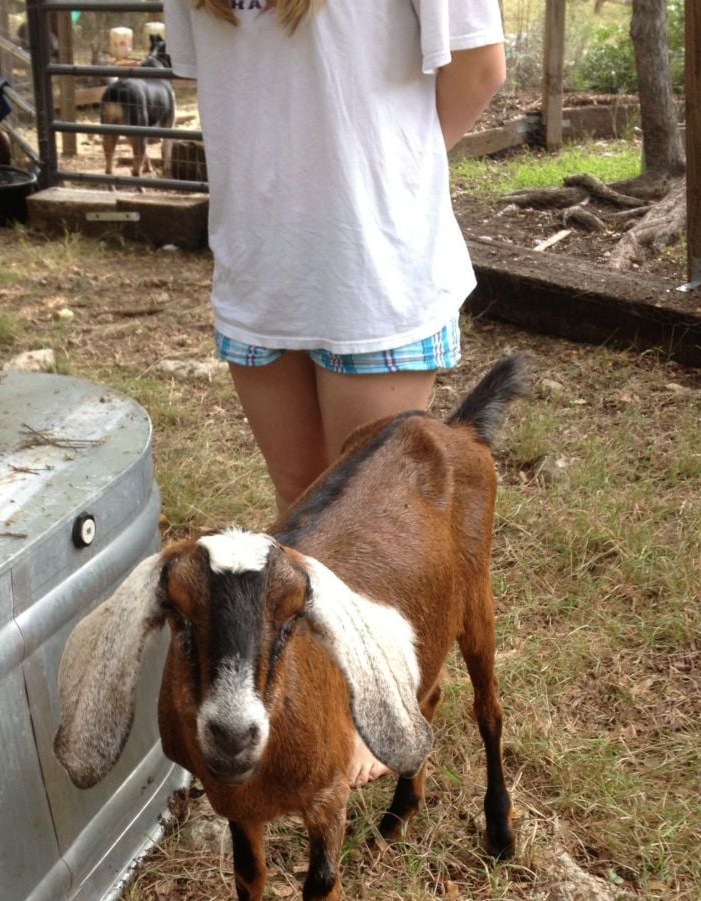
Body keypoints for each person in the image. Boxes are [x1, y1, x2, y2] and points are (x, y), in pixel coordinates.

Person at [162, 0, 506, 784]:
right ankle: (315, 697)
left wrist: (387, 171)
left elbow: (478, 68)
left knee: (373, 528)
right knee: (303, 511)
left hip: (369, 261)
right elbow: (225, 82)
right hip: (258, 259)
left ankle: (370, 713)